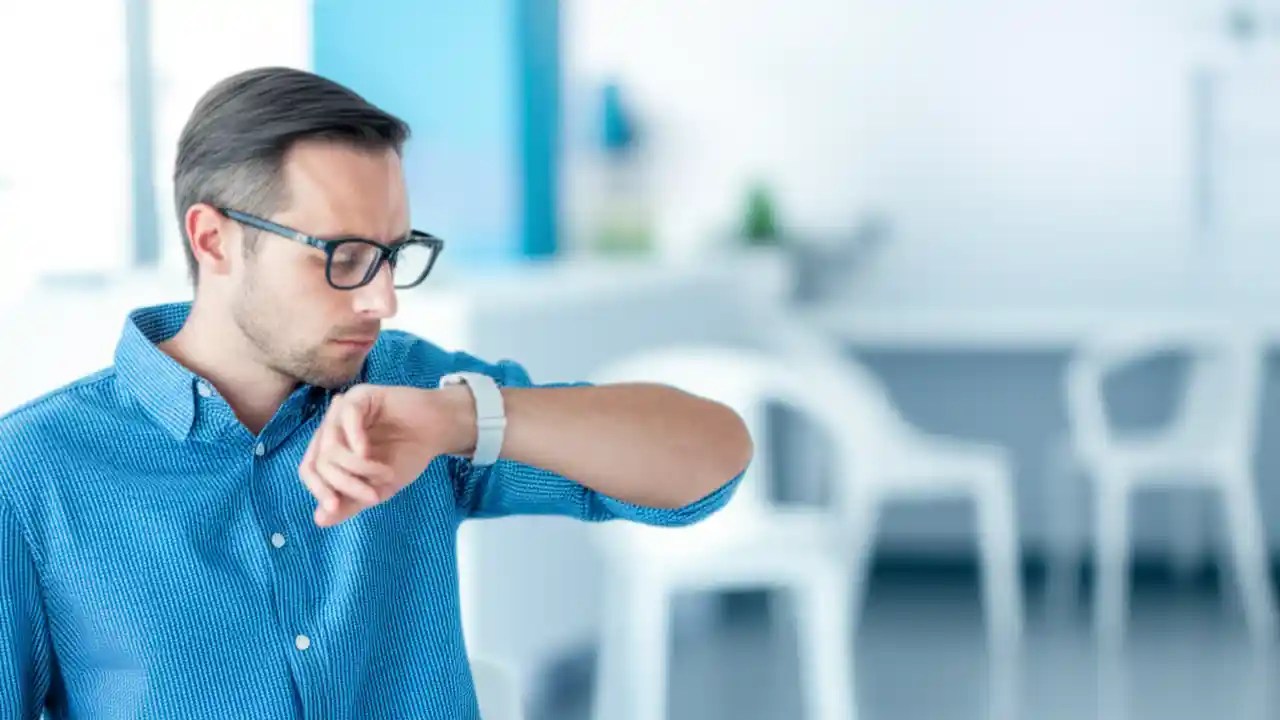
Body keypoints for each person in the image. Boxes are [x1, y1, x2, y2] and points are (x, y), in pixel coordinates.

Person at [0, 67, 752, 718]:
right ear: (213, 239)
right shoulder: (31, 473)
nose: (383, 301)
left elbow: (710, 468)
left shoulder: (416, 394)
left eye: (392, 254)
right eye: (345, 256)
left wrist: (460, 419)